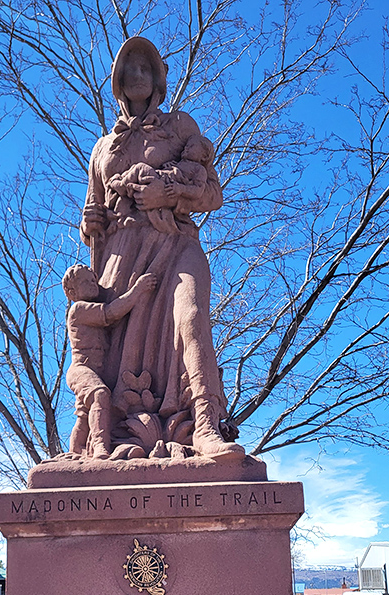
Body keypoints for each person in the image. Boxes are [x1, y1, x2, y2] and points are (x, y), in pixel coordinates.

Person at [79, 36, 243, 460]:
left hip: (175, 243)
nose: (137, 74)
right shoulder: (102, 147)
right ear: (116, 82)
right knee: (119, 359)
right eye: (128, 68)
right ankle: (108, 437)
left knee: (191, 315)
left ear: (157, 79)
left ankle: (206, 425)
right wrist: (90, 222)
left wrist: (167, 190)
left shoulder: (180, 127)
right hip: (122, 257)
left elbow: (212, 194)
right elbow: (92, 212)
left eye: (145, 67)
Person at [64, 264, 157, 458]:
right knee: (100, 394)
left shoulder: (89, 306)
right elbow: (111, 313)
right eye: (85, 282)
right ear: (72, 292)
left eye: (93, 280)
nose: (92, 284)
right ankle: (100, 446)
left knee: (83, 415)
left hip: (98, 369)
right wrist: (138, 289)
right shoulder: (78, 310)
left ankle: (75, 452)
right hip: (82, 368)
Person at [106, 133, 215, 235]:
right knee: (136, 171)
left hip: (163, 183)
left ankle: (122, 185)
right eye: (186, 145)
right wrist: (170, 167)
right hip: (160, 177)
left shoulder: (199, 170)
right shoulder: (181, 163)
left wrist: (181, 189)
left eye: (191, 146)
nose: (186, 147)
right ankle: (120, 192)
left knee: (140, 168)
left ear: (204, 157)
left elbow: (198, 190)